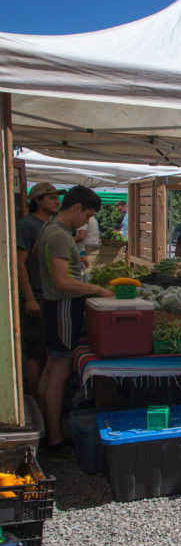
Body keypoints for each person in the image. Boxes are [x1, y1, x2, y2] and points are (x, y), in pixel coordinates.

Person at [33, 185, 115, 456]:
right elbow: (62, 281)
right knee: (59, 371)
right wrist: (97, 290)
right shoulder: (59, 235)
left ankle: (46, 428)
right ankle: (55, 439)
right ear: (77, 207)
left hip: (54, 305)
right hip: (63, 305)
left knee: (51, 368)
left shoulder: (49, 229)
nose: (87, 221)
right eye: (88, 215)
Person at [16, 183, 64, 399]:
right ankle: (34, 401)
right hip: (35, 295)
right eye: (51, 197)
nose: (57, 201)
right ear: (37, 200)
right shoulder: (27, 225)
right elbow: (19, 264)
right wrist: (29, 298)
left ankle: (44, 400)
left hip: (48, 295)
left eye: (57, 197)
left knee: (47, 353)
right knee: (37, 354)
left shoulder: (50, 225)